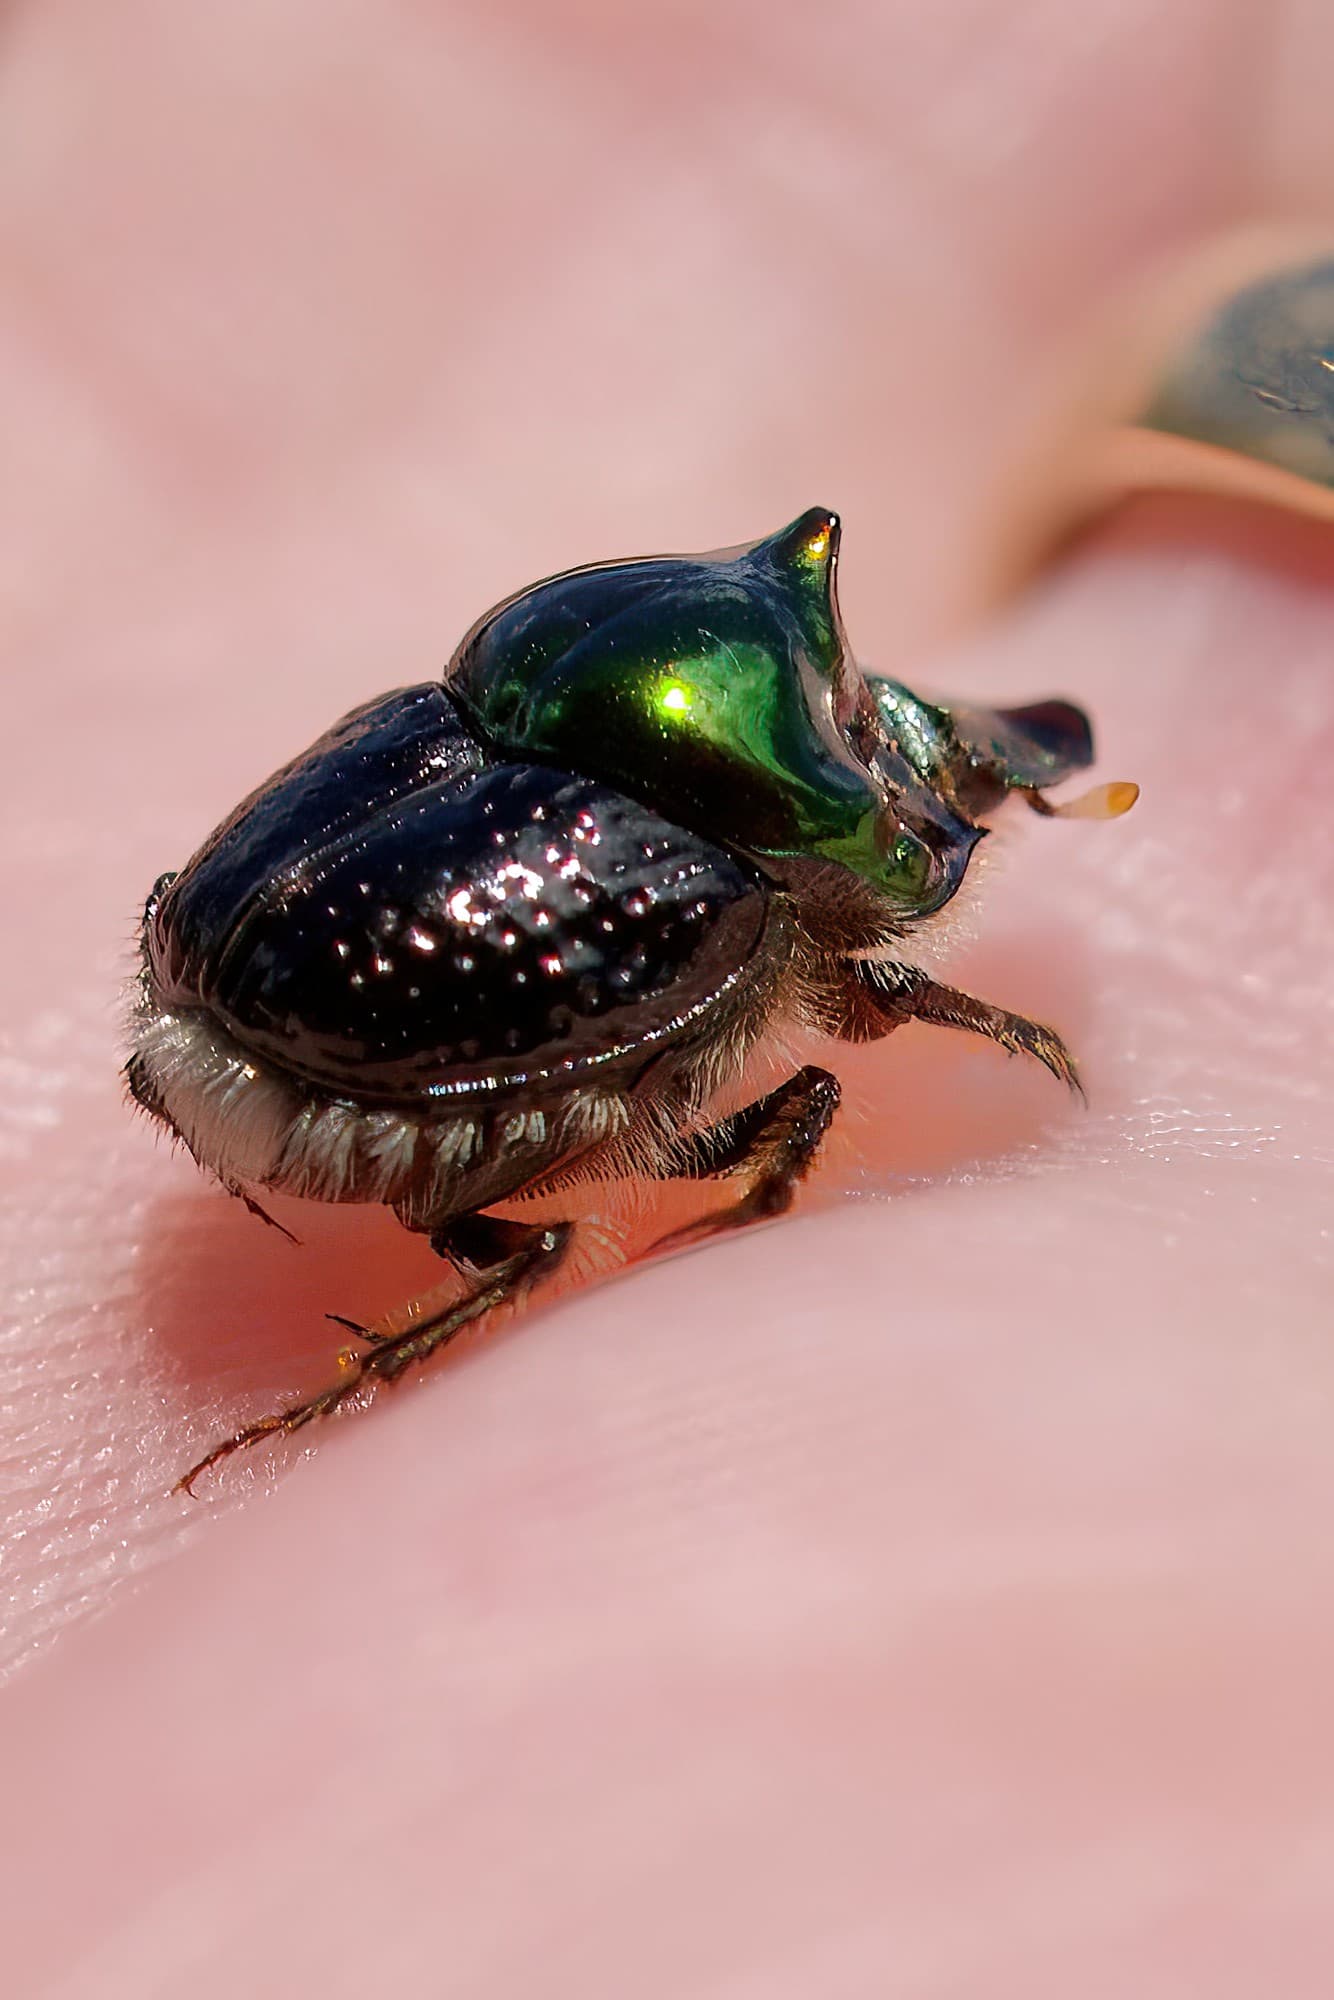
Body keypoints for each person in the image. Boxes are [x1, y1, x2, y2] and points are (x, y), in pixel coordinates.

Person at [2, 3, 1330, 1992]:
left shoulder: (520, 695)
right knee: (652, 1179)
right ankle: (440, 1335)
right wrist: (972, 1017)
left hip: (225, 971)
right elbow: (878, 947)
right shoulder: (703, 870)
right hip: (343, 1063)